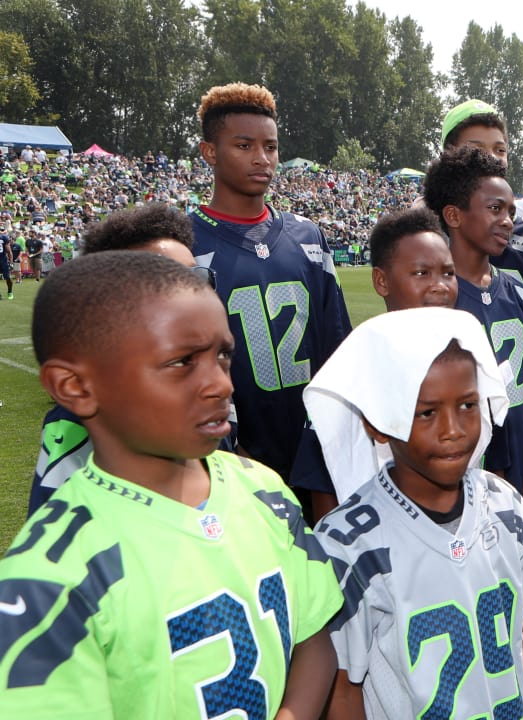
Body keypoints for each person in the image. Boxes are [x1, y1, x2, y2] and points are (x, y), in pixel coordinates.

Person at [0, 251, 342, 718]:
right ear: (75, 387)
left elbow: (314, 640)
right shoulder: (49, 579)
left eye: (223, 355)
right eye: (182, 362)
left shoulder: (263, 490)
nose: (221, 384)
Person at [304, 308, 523, 720]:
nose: (453, 429)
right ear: (378, 424)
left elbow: (521, 635)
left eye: (468, 405)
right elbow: (343, 689)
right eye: (427, 412)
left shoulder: (506, 507)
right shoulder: (349, 544)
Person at [189, 82, 352, 520]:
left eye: (271, 146)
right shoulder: (186, 244)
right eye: (244, 145)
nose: (262, 158)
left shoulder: (306, 235)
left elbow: (336, 345)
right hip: (232, 456)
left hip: (315, 450)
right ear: (210, 152)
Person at [27, 203, 231, 516]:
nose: (192, 292)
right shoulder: (81, 426)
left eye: (197, 276)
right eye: (165, 279)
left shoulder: (210, 376)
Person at [422, 146, 523, 516]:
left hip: (520, 460)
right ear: (454, 215)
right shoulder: (434, 299)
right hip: (463, 468)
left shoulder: (516, 291)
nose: (507, 221)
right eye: (495, 209)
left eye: (511, 212)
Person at [440, 99, 523, 288]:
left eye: (500, 150)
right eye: (476, 149)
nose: (492, 158)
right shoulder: (423, 235)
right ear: (447, 155)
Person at [367, 205, 457, 312]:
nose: (441, 287)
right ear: (382, 281)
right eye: (421, 273)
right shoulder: (368, 329)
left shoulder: (470, 326)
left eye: (449, 273)